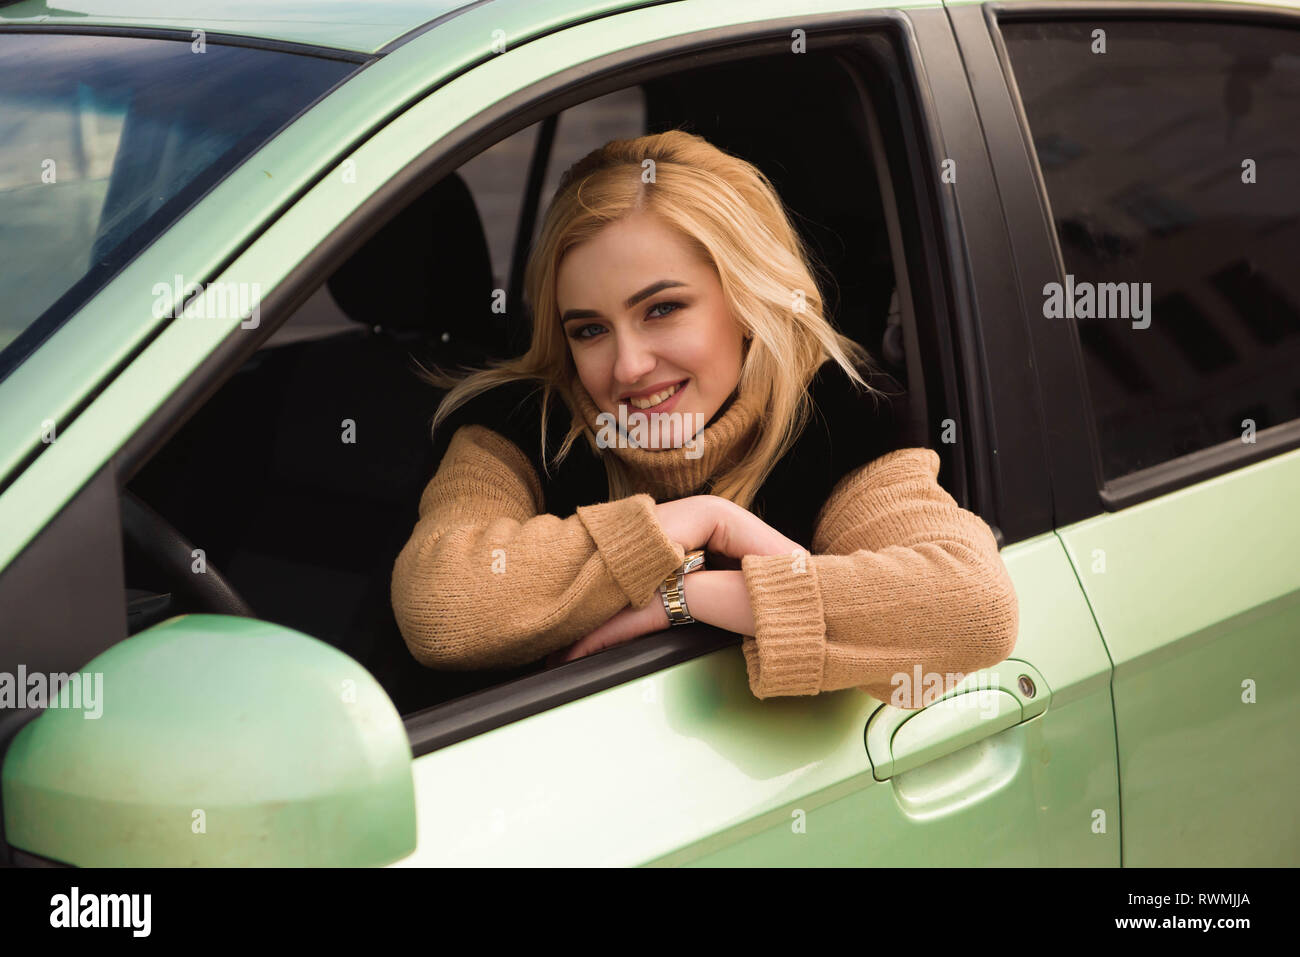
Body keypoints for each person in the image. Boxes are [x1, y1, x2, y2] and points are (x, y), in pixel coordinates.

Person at [390, 129, 1018, 708]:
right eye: (589, 329)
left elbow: (971, 607)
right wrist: (695, 522)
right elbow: (441, 606)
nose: (629, 366)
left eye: (662, 309)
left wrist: (683, 600)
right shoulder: (522, 427)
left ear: (746, 301)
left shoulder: (837, 421)